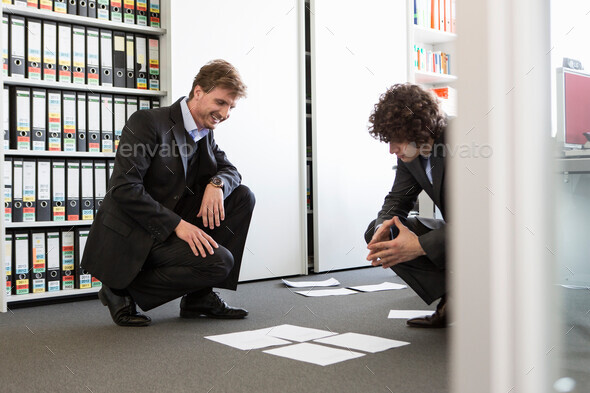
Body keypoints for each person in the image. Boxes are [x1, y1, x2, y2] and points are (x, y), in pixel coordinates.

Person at [82, 59, 255, 327]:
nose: (226, 113)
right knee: (220, 262)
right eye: (221, 102)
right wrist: (177, 225)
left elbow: (230, 170)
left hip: (167, 230)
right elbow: (123, 188)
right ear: (198, 92)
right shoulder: (148, 122)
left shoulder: (203, 133)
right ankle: (118, 289)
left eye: (231, 107)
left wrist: (216, 185)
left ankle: (199, 296)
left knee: (242, 196)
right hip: (136, 232)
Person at [365, 83, 448, 328]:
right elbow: (398, 200)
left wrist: (420, 245)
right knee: (380, 231)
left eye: (397, 141)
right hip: (454, 233)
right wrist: (383, 227)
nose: (392, 150)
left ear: (420, 129)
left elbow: (484, 224)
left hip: (487, 237)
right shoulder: (411, 155)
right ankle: (455, 296)